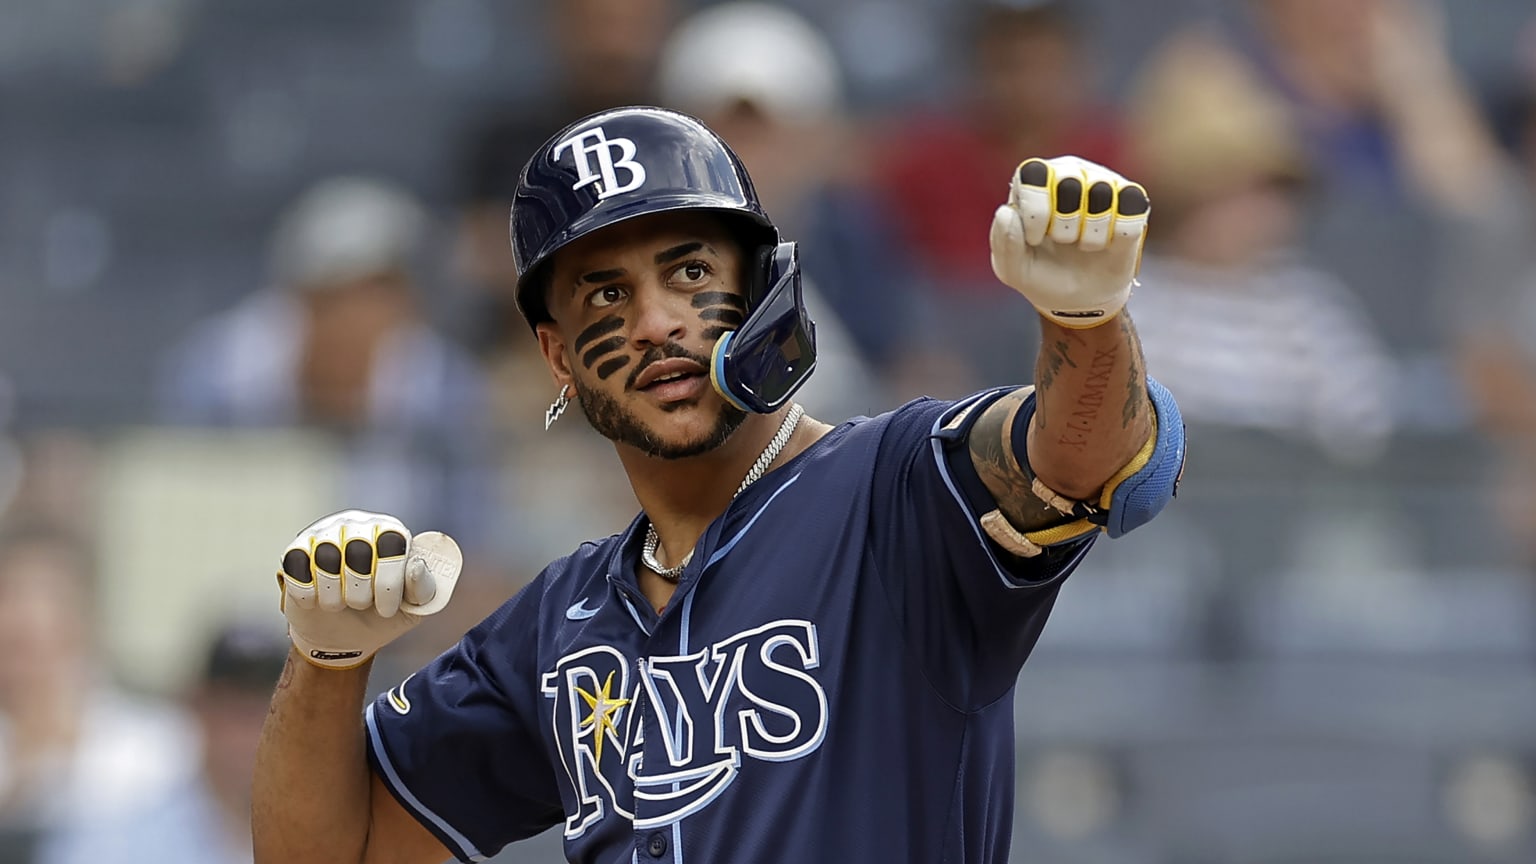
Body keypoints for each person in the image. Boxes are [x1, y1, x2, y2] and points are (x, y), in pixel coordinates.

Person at [251, 107, 1185, 864]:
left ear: (764, 289)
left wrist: (1084, 323)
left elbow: (1078, 461)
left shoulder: (893, 489)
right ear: (557, 357)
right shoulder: (554, 625)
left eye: (690, 271)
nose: (655, 323)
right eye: (605, 296)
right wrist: (327, 662)